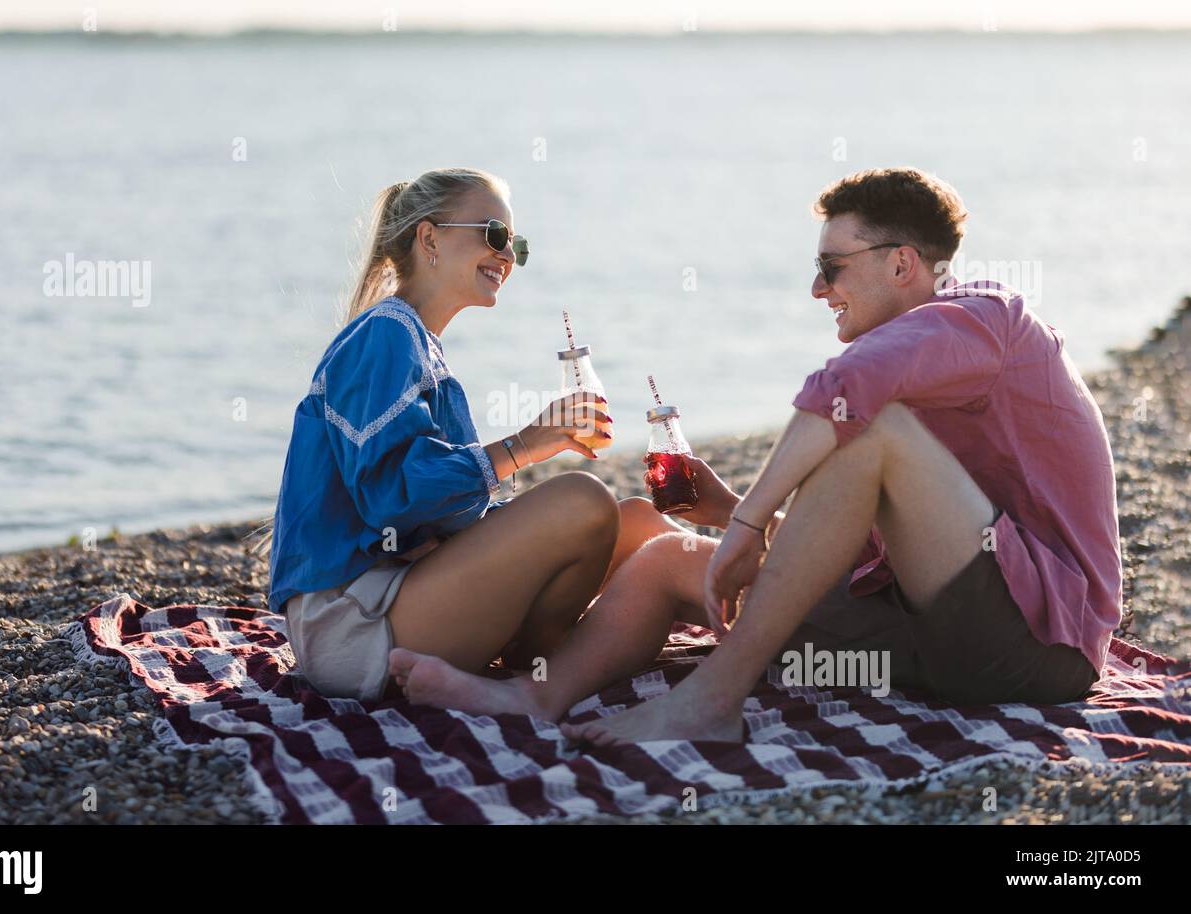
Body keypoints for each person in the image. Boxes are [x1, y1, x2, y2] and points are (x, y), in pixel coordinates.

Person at [390, 167, 1122, 744]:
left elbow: (837, 396)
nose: (816, 288)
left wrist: (748, 530)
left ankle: (711, 700)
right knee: (667, 554)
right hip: (926, 633)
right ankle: (536, 698)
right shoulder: (906, 364)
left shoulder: (986, 319)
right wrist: (734, 515)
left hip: (1035, 644)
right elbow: (855, 548)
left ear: (903, 263)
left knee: (868, 427)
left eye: (831, 266)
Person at [268, 166, 676, 703]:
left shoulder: (416, 341)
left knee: (643, 526)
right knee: (583, 501)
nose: (507, 257)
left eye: (516, 245)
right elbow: (390, 497)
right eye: (495, 235)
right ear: (430, 237)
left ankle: (556, 646)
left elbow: (438, 515)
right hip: (356, 626)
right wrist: (522, 447)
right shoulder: (385, 334)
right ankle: (559, 653)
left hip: (402, 598)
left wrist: (514, 469)